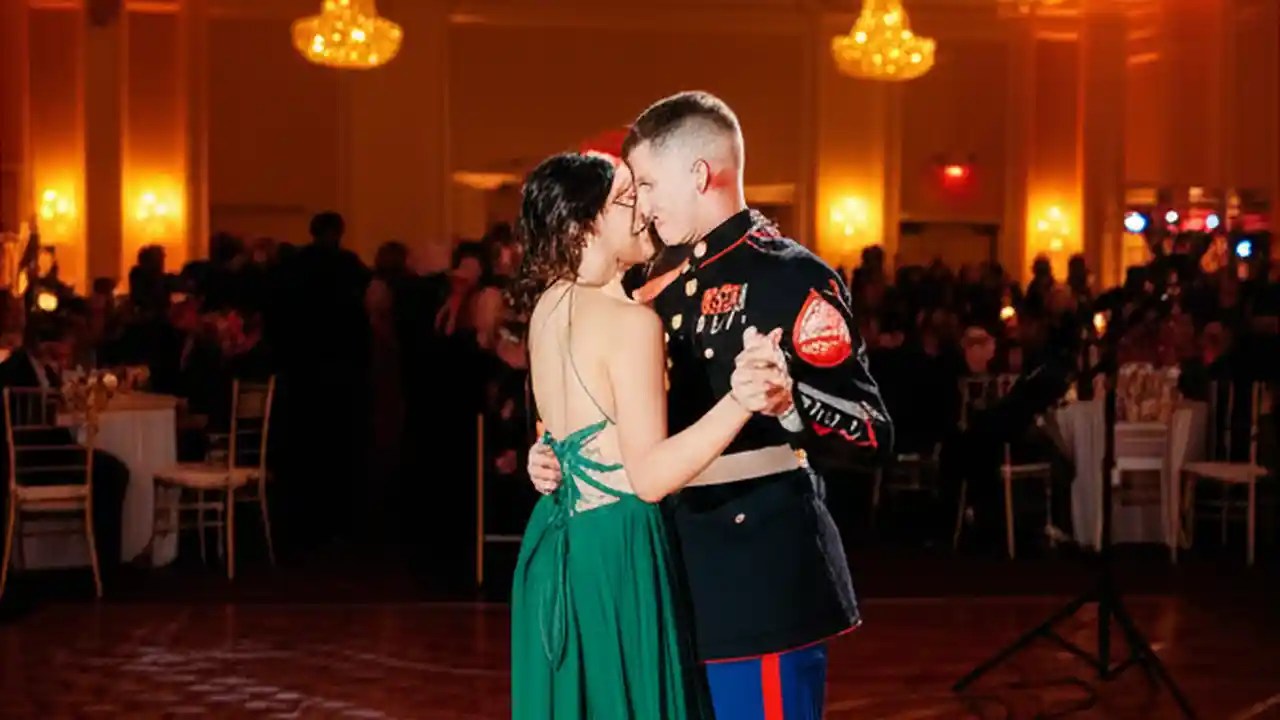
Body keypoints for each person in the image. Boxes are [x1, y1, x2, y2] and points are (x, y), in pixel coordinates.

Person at [527, 91, 893, 718]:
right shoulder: (641, 283)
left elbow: (872, 432)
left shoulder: (787, 277)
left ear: (698, 175)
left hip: (755, 576)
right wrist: (557, 453)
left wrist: (787, 401)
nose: (638, 203)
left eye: (645, 183)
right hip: (662, 575)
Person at [509, 151, 792, 719]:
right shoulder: (632, 324)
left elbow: (561, 431)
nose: (641, 208)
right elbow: (650, 477)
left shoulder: (546, 305)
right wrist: (742, 399)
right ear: (582, 222)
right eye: (624, 198)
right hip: (615, 549)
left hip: (554, 546)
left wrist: (542, 457)